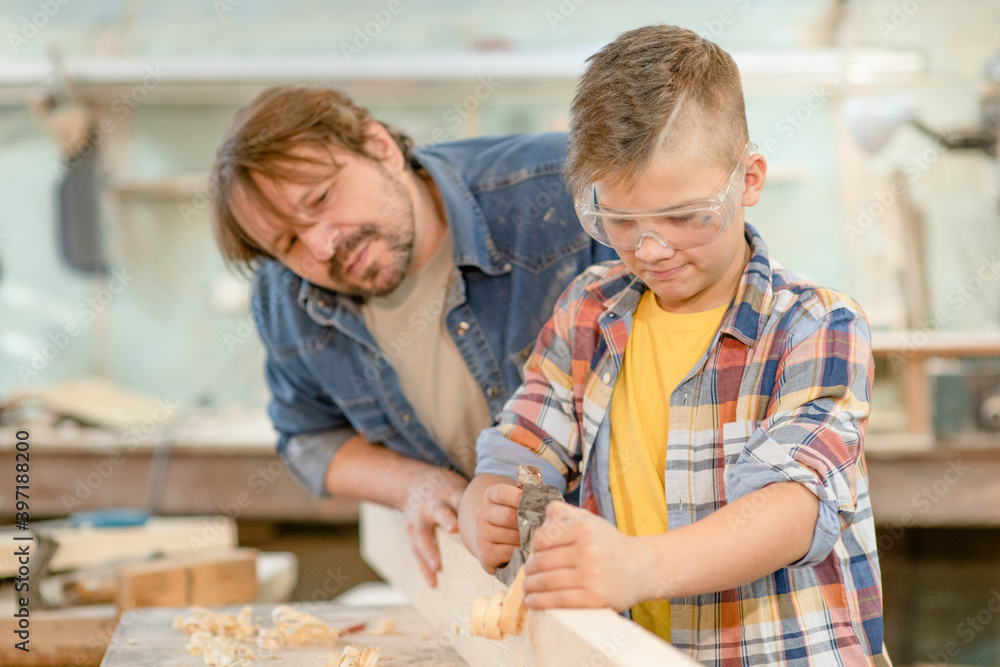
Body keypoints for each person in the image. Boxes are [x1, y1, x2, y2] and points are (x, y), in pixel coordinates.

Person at [459, 25, 889, 665]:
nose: (652, 250)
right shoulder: (591, 307)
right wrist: (485, 502)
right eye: (621, 223)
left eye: (686, 217)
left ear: (748, 180)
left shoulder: (815, 325)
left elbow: (790, 508)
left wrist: (638, 566)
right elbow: (524, 445)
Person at [209, 85, 617, 587]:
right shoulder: (285, 297)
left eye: (319, 199)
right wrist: (415, 485)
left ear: (379, 146)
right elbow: (309, 438)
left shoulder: (563, 189)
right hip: (516, 581)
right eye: (289, 242)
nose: (321, 245)